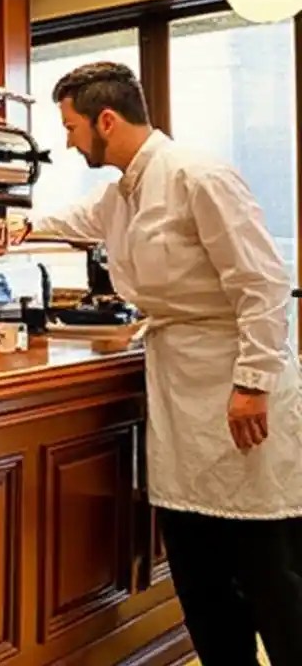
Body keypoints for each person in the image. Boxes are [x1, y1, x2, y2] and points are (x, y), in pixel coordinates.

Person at [32, 61, 302, 666]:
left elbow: (262, 284)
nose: (69, 141)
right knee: (200, 576)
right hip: (180, 394)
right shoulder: (121, 190)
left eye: (72, 127)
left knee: (271, 574)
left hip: (234, 382)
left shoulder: (197, 176)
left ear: (107, 119)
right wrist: (20, 225)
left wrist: (253, 383)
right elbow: (76, 222)